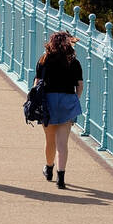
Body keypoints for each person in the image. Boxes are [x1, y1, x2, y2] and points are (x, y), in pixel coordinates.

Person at [36, 30, 83, 188]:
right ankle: (61, 177)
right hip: (67, 100)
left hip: (48, 101)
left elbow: (37, 83)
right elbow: (80, 86)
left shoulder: (44, 60)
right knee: (62, 143)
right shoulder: (74, 62)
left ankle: (49, 168)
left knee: (50, 140)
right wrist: (74, 100)